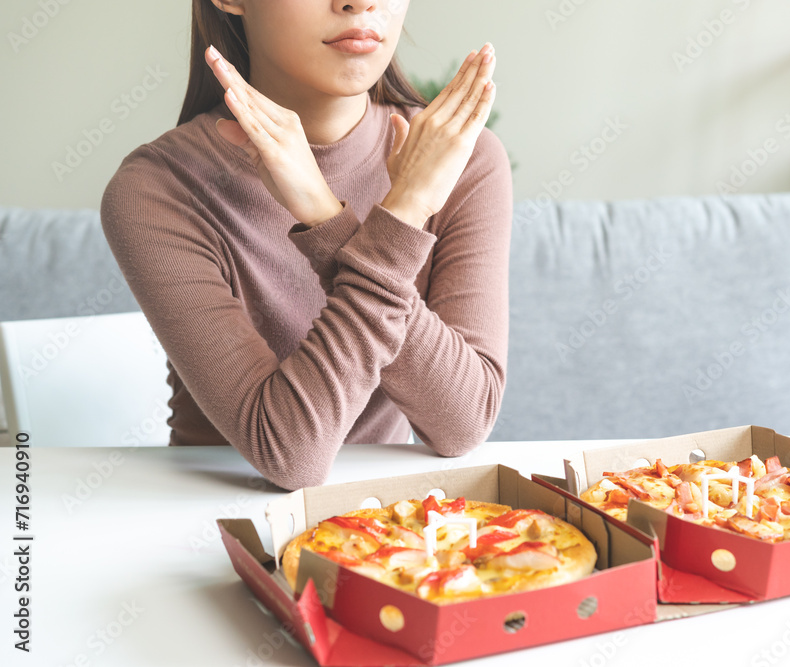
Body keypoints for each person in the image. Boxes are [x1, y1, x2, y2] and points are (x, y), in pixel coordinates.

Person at [99, 0, 513, 490]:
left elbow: (463, 423)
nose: (359, 3)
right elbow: (289, 453)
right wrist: (400, 217)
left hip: (392, 529)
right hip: (218, 518)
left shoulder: (459, 160)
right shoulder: (157, 189)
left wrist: (327, 216)